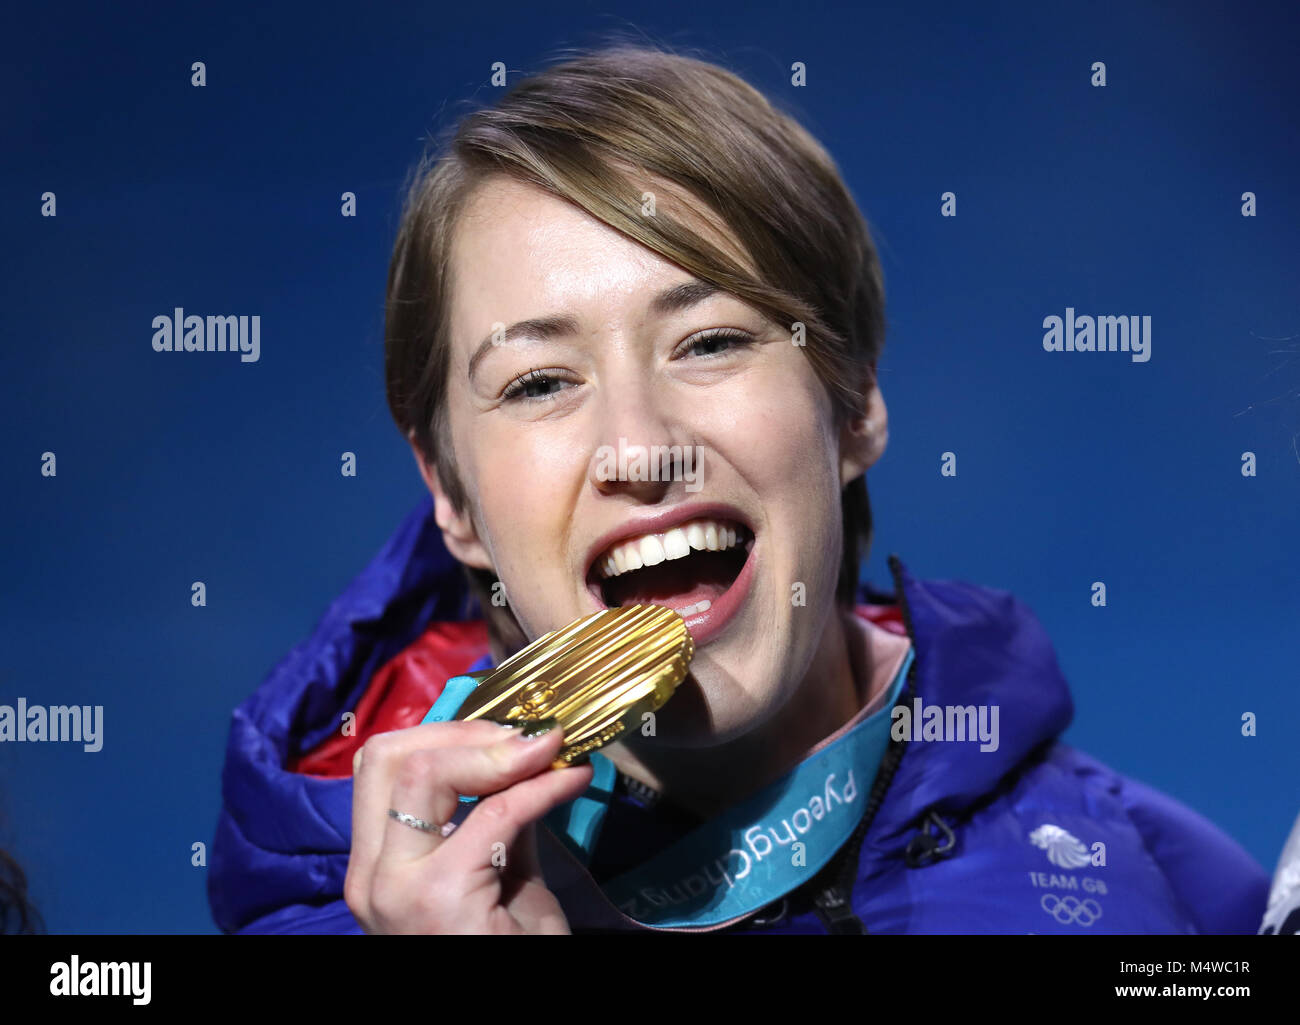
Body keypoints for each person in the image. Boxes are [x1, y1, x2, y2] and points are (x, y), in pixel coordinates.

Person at [208, 41, 1269, 934]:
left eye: (710, 340)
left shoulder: (1153, 889)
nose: (639, 444)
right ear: (451, 496)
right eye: (538, 381)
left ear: (851, 404)